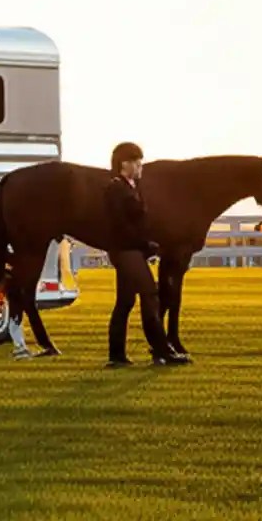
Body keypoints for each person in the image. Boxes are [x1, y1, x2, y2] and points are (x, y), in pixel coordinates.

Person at [104, 142, 190, 367]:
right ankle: (162, 351)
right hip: (126, 250)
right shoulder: (116, 189)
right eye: (137, 162)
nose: (141, 166)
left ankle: (116, 356)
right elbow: (122, 225)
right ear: (125, 164)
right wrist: (145, 244)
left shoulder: (131, 187)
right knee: (150, 294)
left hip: (133, 250)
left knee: (125, 301)